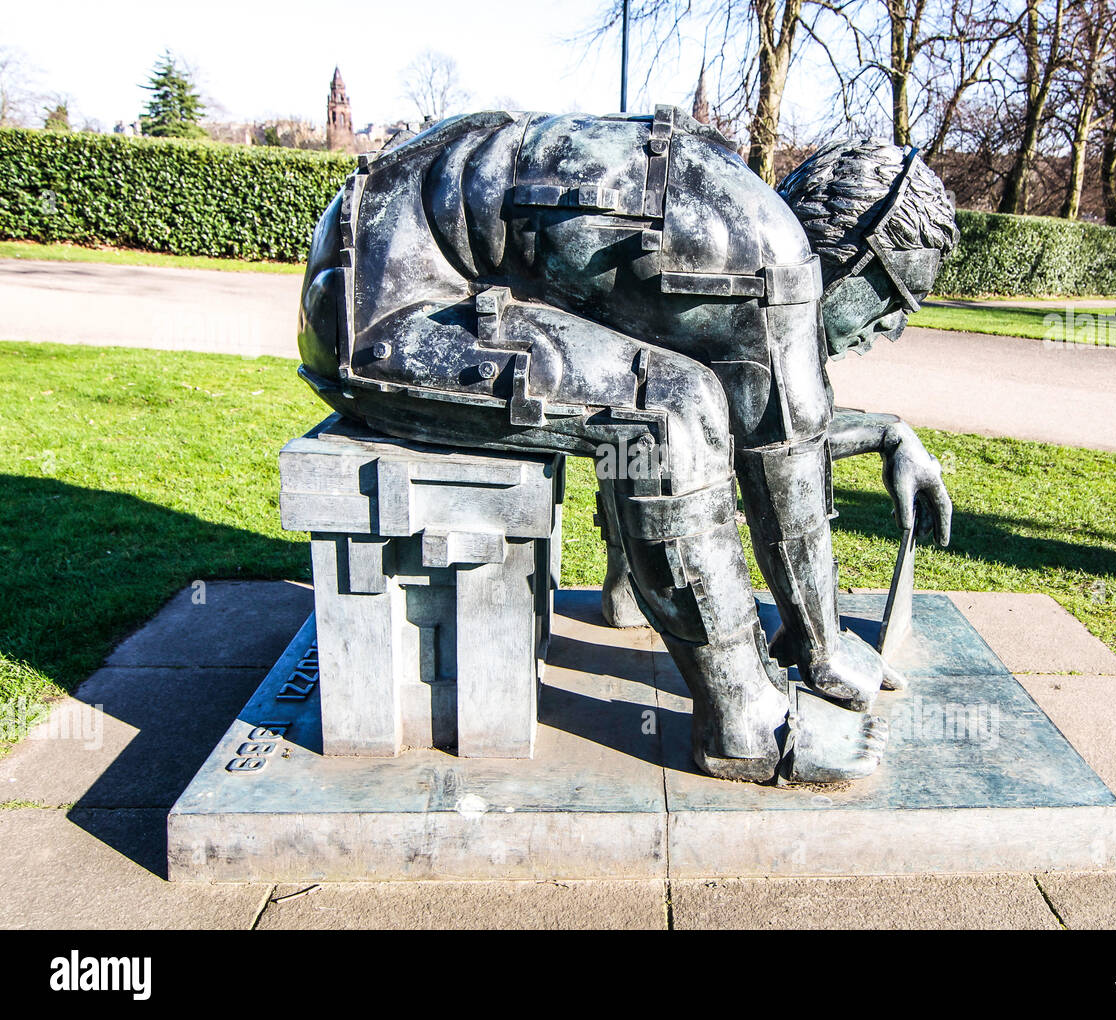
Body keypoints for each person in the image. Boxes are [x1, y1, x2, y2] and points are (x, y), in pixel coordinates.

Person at [297, 105, 959, 784]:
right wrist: (825, 647)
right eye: (893, 303)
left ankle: (626, 591)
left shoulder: (730, 218)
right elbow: (782, 450)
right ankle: (747, 722)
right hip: (379, 317)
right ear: (859, 256)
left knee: (659, 385)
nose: (885, 332)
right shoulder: (777, 258)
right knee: (667, 409)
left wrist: (888, 432)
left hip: (384, 272)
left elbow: (767, 424)